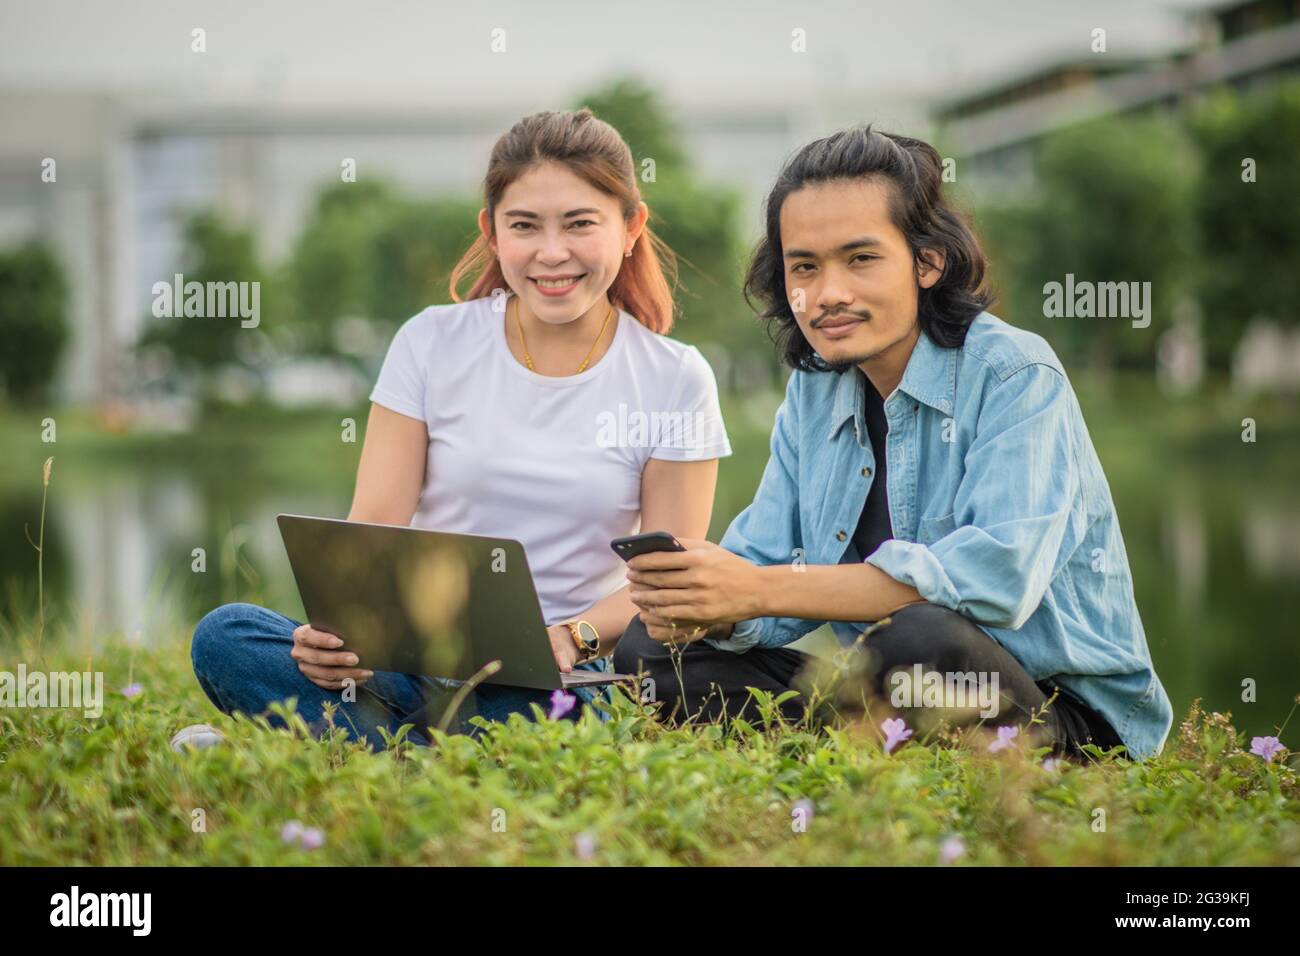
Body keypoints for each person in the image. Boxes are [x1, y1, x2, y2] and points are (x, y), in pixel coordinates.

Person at [614, 126, 1173, 762]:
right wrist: (709, 604)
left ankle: (887, 761)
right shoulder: (814, 389)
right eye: (804, 267)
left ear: (927, 262)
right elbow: (765, 560)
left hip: (1061, 716)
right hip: (891, 687)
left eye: (860, 259)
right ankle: (851, 769)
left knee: (918, 636)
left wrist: (757, 589)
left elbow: (995, 581)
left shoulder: (1016, 373)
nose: (828, 294)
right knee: (652, 653)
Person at [191, 109, 731, 748]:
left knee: (540, 724)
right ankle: (430, 760)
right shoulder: (430, 341)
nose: (551, 253)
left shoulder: (675, 377)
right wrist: (334, 635)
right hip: (410, 660)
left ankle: (373, 755)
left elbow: (665, 589)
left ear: (629, 227)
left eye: (580, 224)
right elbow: (373, 530)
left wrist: (573, 636)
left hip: (556, 681)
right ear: (493, 233)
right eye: (524, 226)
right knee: (227, 637)